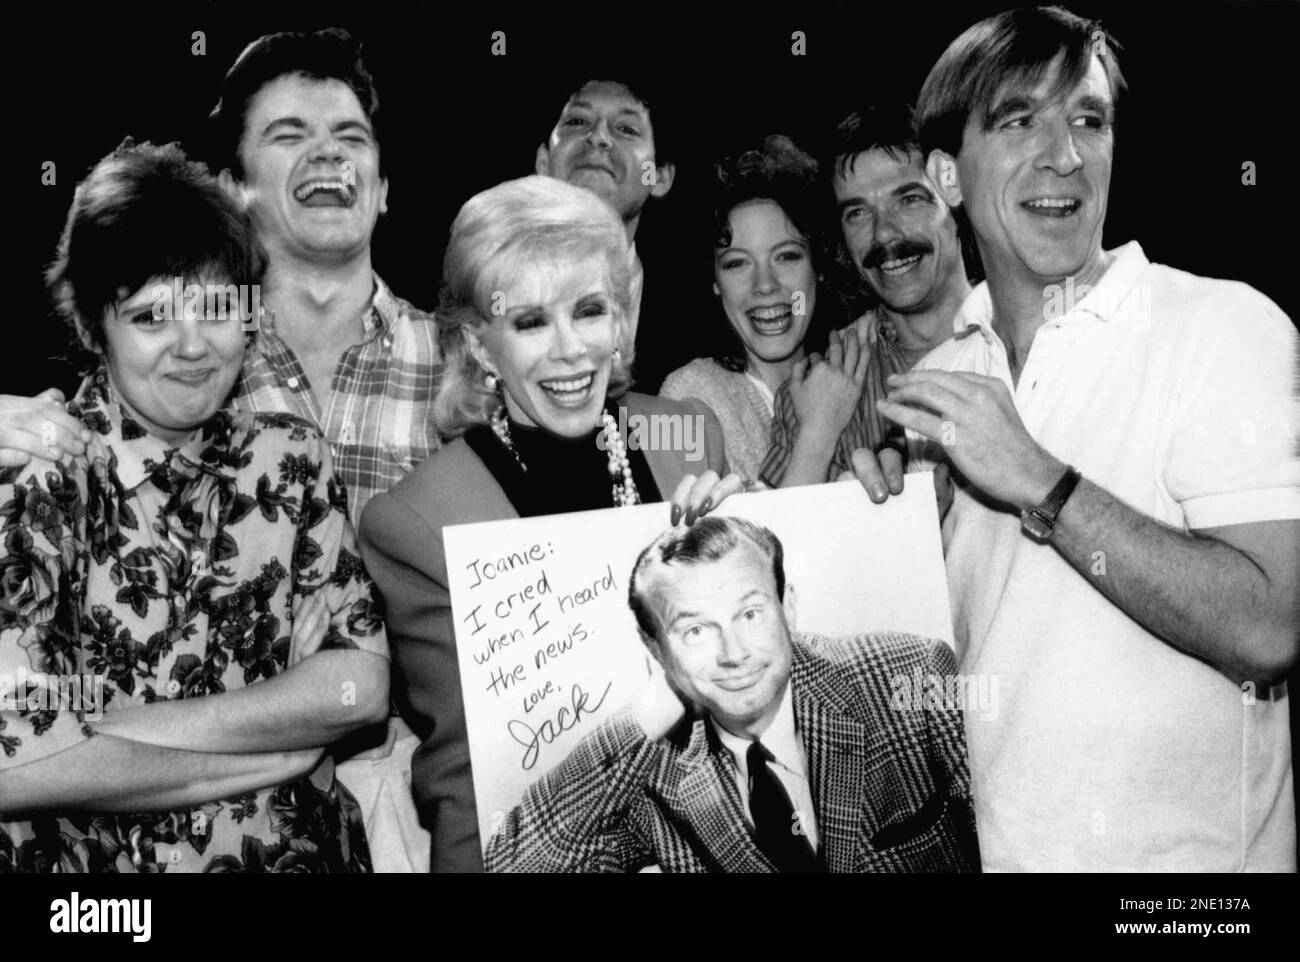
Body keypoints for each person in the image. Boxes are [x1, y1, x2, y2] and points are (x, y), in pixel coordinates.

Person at [0, 28, 438, 872]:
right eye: (152, 315)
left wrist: (106, 728)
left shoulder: (288, 454)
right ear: (95, 326)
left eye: (214, 306)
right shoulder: (40, 469)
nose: (191, 345)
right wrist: (281, 737)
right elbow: (18, 761)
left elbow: (358, 687)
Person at [877, 5, 1298, 870]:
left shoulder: (1219, 325)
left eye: (1088, 120)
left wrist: (1042, 481)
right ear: (946, 176)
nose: (1064, 154)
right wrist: (877, 538)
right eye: (1019, 119)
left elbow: (1269, 627)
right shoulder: (948, 372)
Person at [358, 175, 740, 872]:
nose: (570, 350)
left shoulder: (687, 439)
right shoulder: (419, 523)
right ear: (478, 346)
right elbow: (474, 789)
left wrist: (750, 541)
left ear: (619, 323)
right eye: (531, 322)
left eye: (589, 311)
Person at [485, 515, 978, 872]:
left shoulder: (910, 676)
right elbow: (512, 865)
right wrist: (648, 712)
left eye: (749, 614)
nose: (733, 653)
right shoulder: (655, 777)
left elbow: (1020, 844)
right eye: (696, 630)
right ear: (655, 649)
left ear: (789, 607)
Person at [761, 105, 973, 487]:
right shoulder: (815, 391)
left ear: (957, 199)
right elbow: (778, 543)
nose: (884, 235)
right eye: (857, 213)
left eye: (909, 199)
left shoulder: (1032, 343)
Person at [661, 135, 865, 484]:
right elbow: (740, 541)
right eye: (737, 264)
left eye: (786, 256)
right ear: (714, 282)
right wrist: (819, 431)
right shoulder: (689, 397)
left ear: (818, 266)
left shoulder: (862, 369)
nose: (765, 285)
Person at [534, 76, 676, 389]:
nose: (598, 136)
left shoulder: (701, 321)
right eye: (577, 121)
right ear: (543, 162)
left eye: (626, 128)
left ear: (660, 177)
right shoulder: (480, 288)